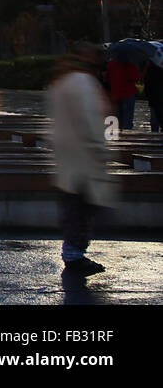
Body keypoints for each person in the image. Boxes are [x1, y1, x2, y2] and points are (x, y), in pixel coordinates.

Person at [47, 44, 116, 277]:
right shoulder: (84, 84)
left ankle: (73, 252)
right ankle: (74, 254)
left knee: (73, 206)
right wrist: (100, 149)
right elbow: (90, 121)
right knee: (82, 208)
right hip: (83, 156)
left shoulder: (61, 82)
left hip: (66, 156)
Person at [106, 53, 141, 131]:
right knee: (128, 117)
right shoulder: (130, 64)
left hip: (116, 93)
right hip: (128, 93)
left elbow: (108, 78)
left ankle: (118, 133)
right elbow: (136, 78)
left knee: (118, 116)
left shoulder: (111, 64)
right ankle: (127, 134)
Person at [144, 47, 163, 133]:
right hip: (156, 97)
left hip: (154, 98)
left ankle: (154, 133)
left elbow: (147, 84)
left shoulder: (150, 69)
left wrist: (147, 95)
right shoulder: (155, 69)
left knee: (155, 118)